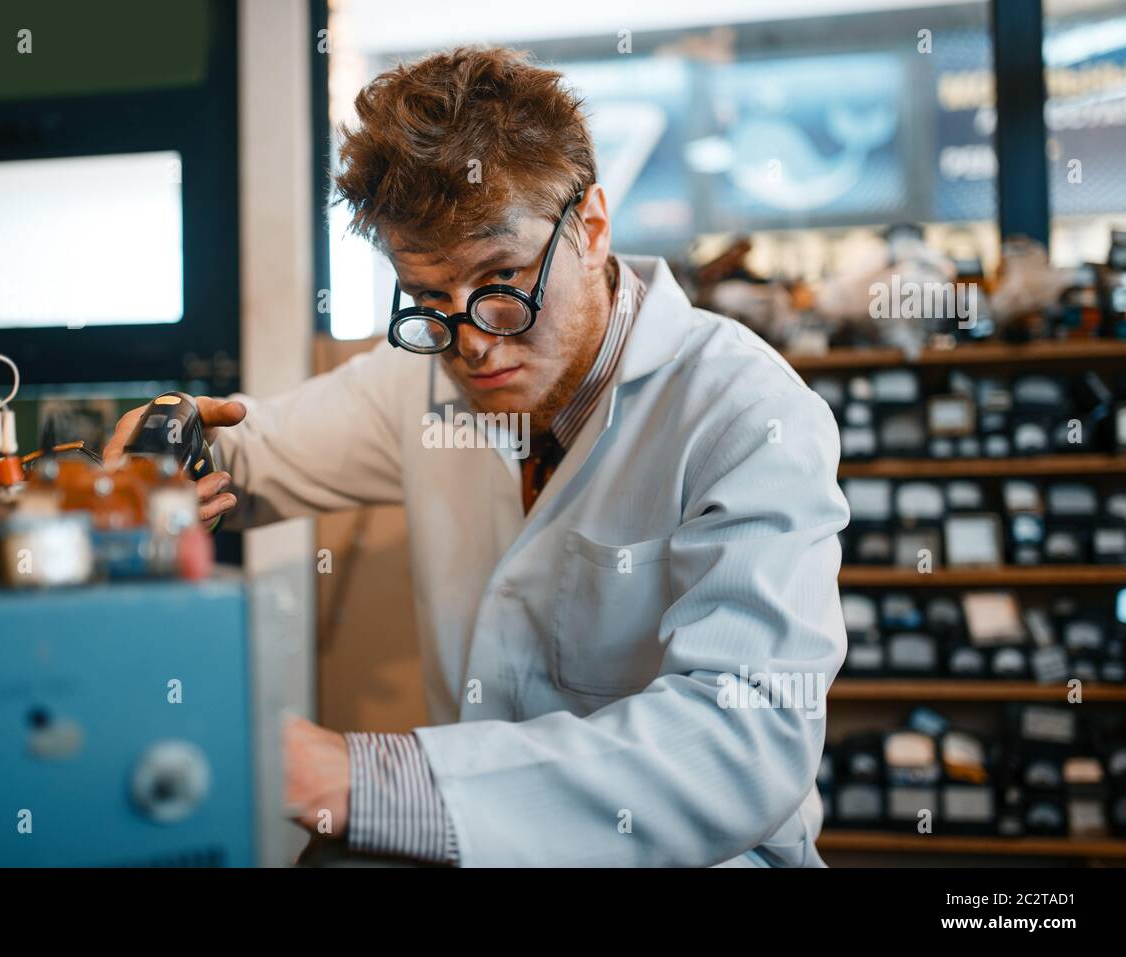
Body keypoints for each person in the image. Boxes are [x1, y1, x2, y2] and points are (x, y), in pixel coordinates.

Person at [105, 46, 849, 867]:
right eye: (427, 298)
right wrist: (167, 448)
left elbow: (740, 735)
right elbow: (251, 456)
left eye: (500, 280)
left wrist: (359, 778)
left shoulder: (743, 412)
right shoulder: (419, 385)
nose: (470, 344)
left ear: (592, 227)